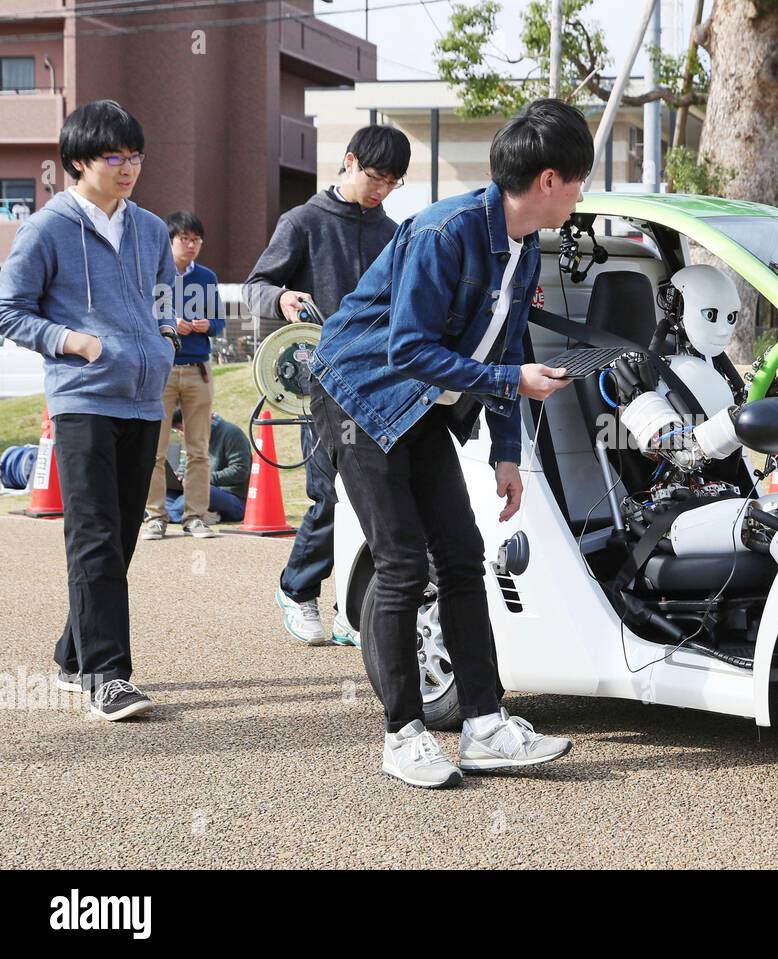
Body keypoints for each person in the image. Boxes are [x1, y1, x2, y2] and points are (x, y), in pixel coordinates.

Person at [308, 98, 586, 789]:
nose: (583, 193)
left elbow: (508, 342)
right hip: (359, 397)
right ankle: (401, 733)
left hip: (420, 405)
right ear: (549, 180)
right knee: (402, 565)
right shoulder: (445, 232)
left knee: (462, 557)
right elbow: (409, 348)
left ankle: (486, 725)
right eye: (579, 180)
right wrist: (510, 380)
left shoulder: (522, 246)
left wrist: (505, 452)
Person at [0, 99, 180, 721]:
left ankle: (73, 652)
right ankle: (108, 673)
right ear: (79, 161)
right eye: (114, 157)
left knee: (121, 535)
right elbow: (8, 311)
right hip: (81, 401)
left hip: (142, 401)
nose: (128, 168)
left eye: (135, 157)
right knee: (95, 535)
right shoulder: (47, 229)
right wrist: (73, 341)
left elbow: (161, 303)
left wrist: (162, 344)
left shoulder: (153, 229)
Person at [242, 124, 411, 646]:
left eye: (393, 182)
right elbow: (255, 287)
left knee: (377, 501)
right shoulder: (303, 222)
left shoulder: (396, 233)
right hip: (316, 387)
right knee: (329, 495)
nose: (381, 191)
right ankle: (297, 589)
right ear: (350, 162)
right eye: (377, 177)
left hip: (381, 387)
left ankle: (353, 612)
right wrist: (281, 300)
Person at [143, 211, 225, 540]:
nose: (191, 245)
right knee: (154, 449)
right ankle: (154, 517)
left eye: (196, 240)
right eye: (184, 239)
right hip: (161, 368)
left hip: (198, 370)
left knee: (198, 449)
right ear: (170, 241)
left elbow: (220, 322)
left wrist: (208, 325)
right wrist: (167, 324)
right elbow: (143, 316)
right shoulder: (155, 273)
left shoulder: (206, 277)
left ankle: (195, 516)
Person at [163, 408, 250, 524]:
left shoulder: (232, 433)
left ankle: (168, 514)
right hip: (193, 492)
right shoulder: (193, 437)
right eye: (177, 430)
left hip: (232, 498)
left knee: (200, 490)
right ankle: (182, 512)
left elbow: (240, 470)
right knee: (161, 491)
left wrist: (203, 479)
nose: (180, 434)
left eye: (181, 429)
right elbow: (185, 464)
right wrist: (179, 475)